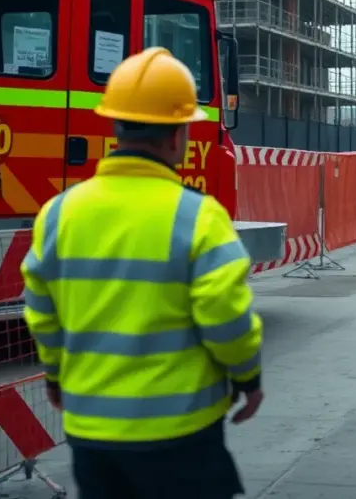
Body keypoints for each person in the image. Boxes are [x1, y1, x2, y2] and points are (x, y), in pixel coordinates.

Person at [21, 47, 263, 498]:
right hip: (181, 434)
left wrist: (55, 375)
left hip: (91, 433)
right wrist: (248, 377)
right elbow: (226, 316)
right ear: (177, 137)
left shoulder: (59, 214)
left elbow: (41, 311)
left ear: (116, 126)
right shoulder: (199, 217)